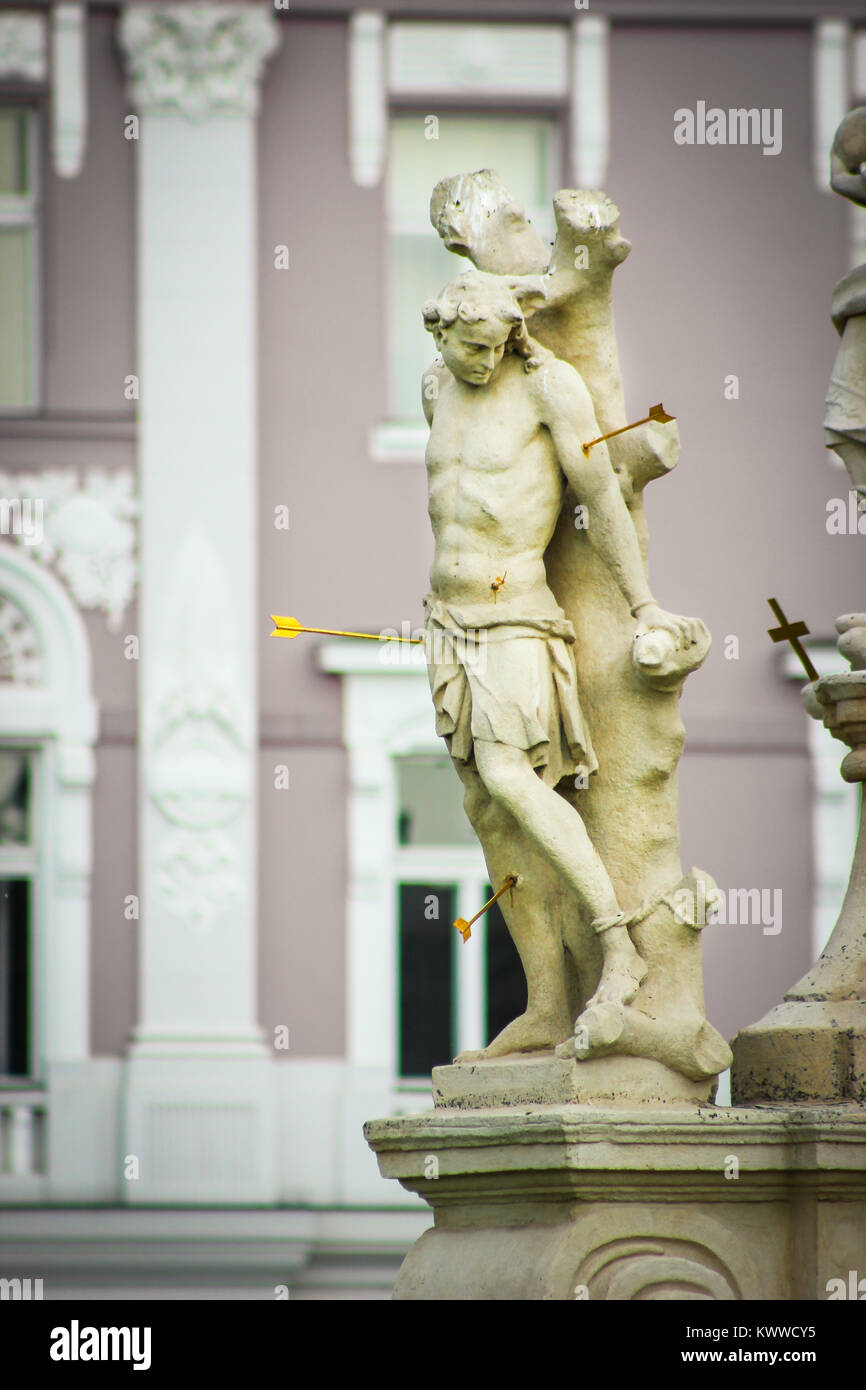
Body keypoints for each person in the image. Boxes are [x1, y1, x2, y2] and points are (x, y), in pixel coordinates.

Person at [421, 269, 701, 1028]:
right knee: (487, 807)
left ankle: (620, 946)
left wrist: (643, 605)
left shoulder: (549, 388)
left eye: (495, 345)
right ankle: (545, 1004)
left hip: (516, 619)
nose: (483, 361)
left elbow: (601, 493)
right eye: (468, 347)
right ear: (438, 335)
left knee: (512, 777)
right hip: (447, 624)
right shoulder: (435, 390)